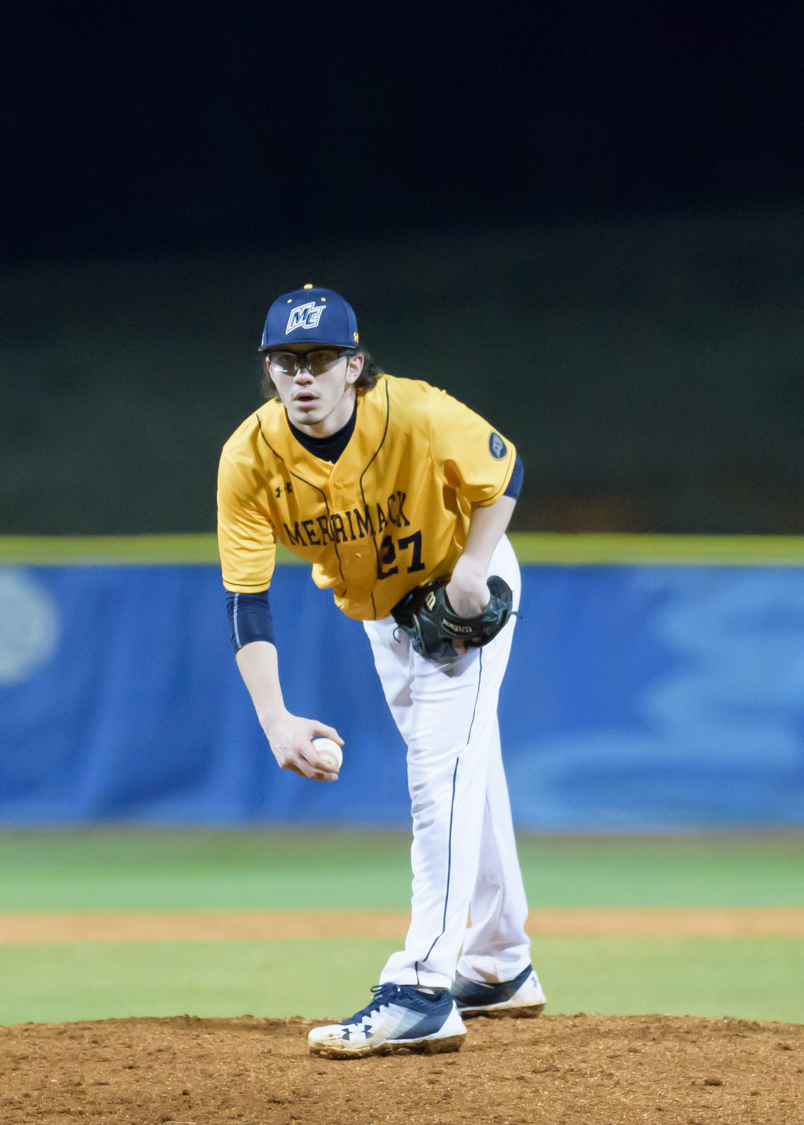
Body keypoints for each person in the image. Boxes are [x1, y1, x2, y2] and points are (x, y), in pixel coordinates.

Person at [217, 285, 544, 1059]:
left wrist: (471, 567)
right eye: (286, 360)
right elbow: (245, 598)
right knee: (469, 768)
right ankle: (499, 962)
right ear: (268, 370)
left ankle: (424, 986)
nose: (303, 375)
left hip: (461, 594)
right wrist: (274, 718)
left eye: (321, 358)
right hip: (382, 619)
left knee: (440, 776)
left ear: (354, 365)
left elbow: (507, 468)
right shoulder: (250, 457)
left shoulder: (417, 412)